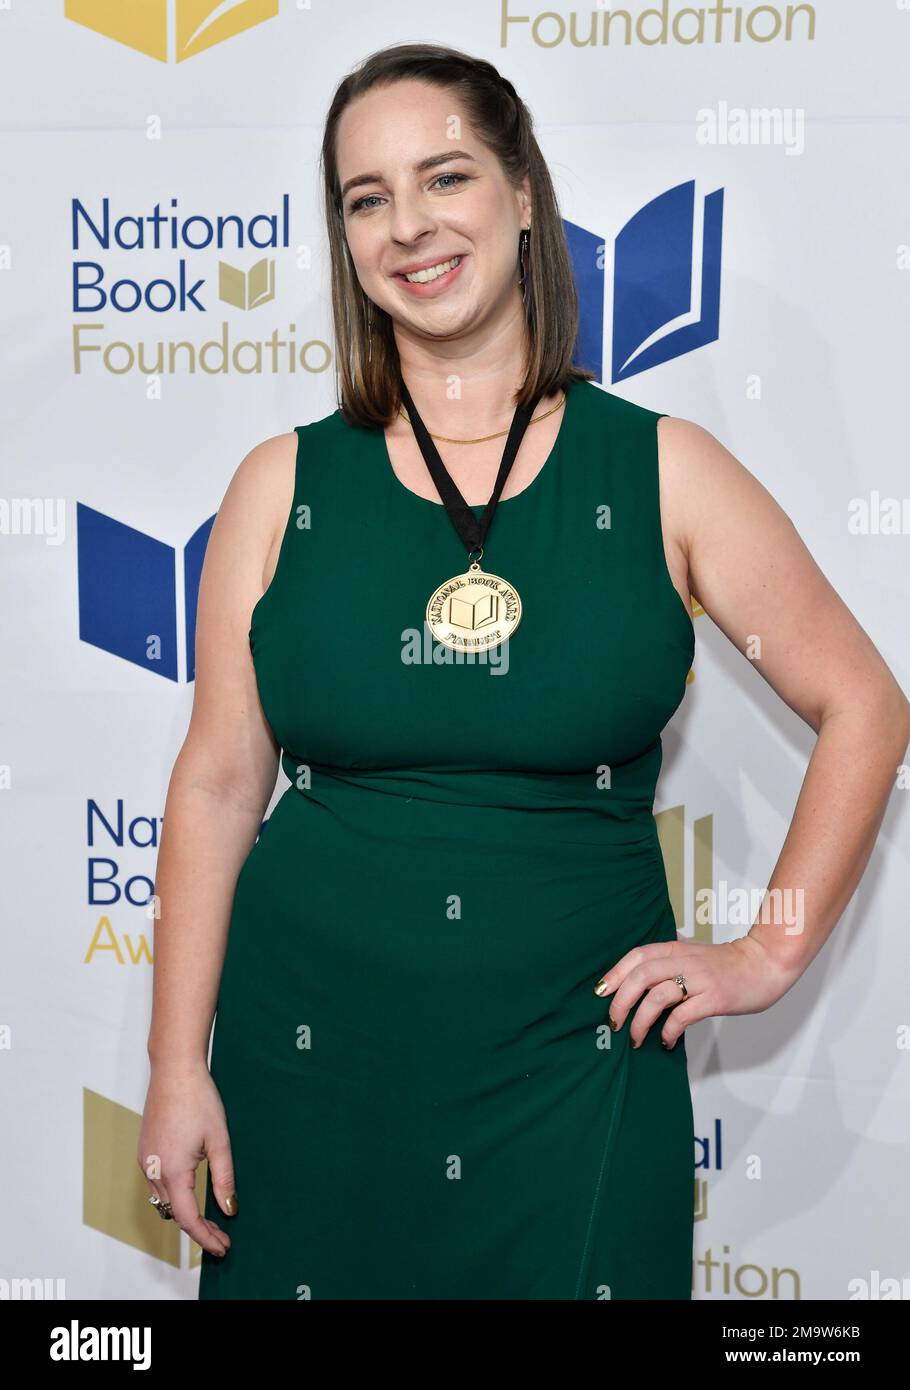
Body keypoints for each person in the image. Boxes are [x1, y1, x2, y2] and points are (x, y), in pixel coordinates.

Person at [139, 42, 910, 1300]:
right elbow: (221, 785)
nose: (409, 226)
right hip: (310, 1063)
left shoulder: (662, 469)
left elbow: (864, 706)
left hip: (574, 1070)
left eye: (444, 177)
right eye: (366, 198)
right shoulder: (278, 485)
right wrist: (178, 1068)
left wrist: (763, 953)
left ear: (523, 197)